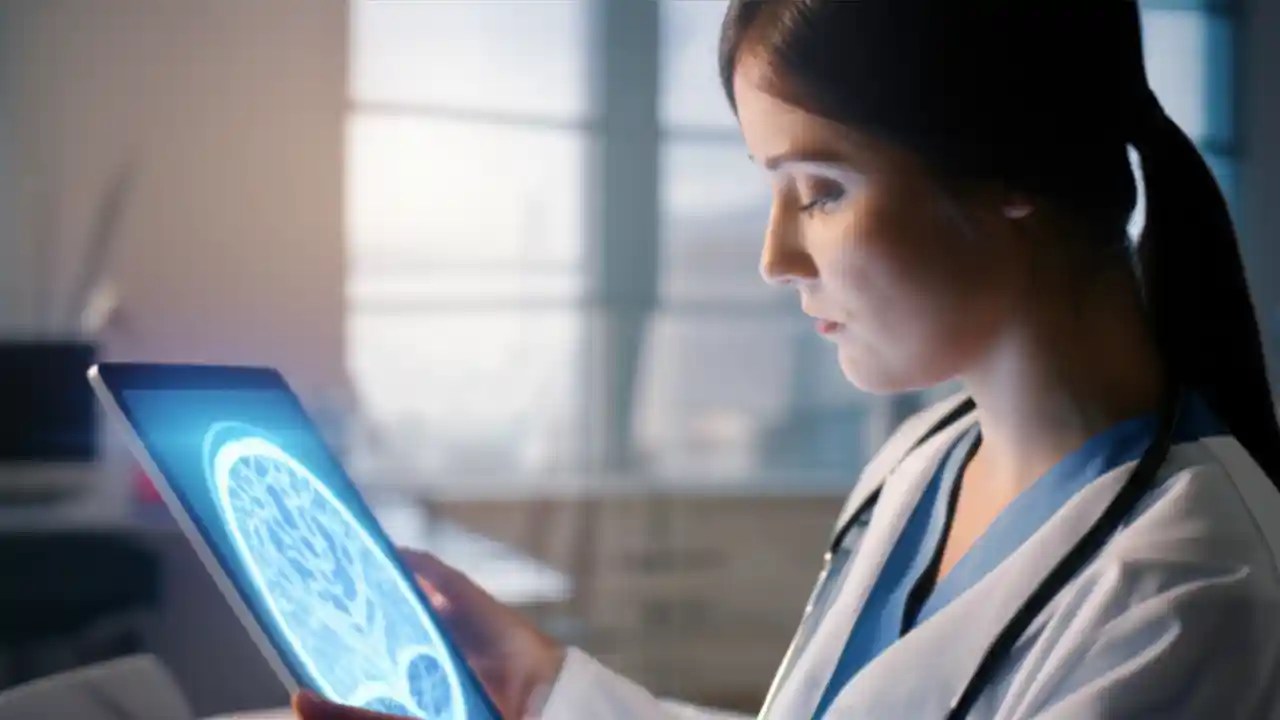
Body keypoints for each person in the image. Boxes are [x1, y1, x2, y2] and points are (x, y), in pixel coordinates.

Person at [296, 1, 1280, 717]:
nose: (774, 259)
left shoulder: (1193, 593)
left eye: (818, 191)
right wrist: (544, 688)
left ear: (1009, 168)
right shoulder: (926, 459)